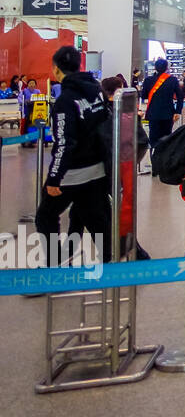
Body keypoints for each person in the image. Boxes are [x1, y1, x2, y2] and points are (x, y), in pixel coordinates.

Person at [36, 46, 111, 268]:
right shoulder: (96, 90)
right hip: (98, 167)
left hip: (73, 172)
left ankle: (53, 264)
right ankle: (111, 262)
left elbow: (64, 142)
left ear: (56, 69)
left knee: (45, 216)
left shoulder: (65, 101)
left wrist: (54, 178)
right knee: (95, 217)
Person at [142, 58, 183, 175]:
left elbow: (144, 95)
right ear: (167, 68)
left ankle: (155, 168)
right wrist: (177, 111)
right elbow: (180, 96)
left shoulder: (148, 80)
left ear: (155, 67)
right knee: (166, 139)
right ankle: (165, 167)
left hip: (153, 114)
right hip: (167, 114)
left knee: (153, 140)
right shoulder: (172, 80)